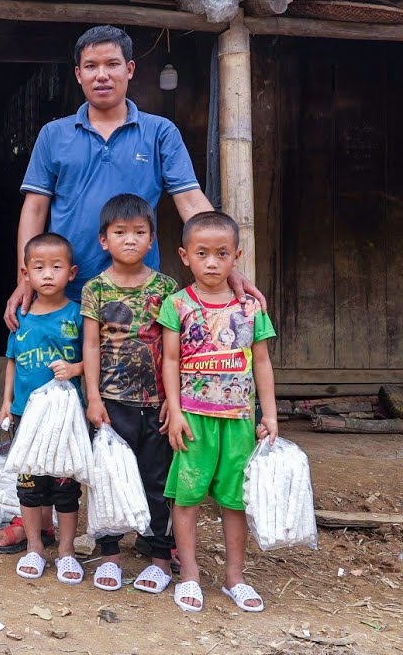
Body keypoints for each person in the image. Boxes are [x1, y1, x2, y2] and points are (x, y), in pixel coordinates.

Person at [5, 25, 263, 327]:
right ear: (78, 74)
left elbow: (191, 202)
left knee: (135, 372)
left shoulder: (159, 132)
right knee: (62, 372)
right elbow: (35, 208)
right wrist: (25, 278)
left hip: (139, 290)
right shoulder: (53, 134)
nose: (101, 74)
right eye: (91, 66)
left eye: (112, 64)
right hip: (63, 289)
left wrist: (230, 267)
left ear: (129, 69)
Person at [159, 211, 277, 613]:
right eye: (202, 253)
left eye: (221, 253)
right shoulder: (177, 304)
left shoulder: (249, 309)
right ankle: (189, 573)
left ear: (236, 257)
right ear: (185, 256)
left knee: (234, 501)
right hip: (193, 419)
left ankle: (234, 577)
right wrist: (174, 412)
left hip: (239, 421)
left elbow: (261, 362)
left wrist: (270, 415)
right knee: (187, 497)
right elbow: (170, 361)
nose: (212, 262)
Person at [80, 194, 179, 593]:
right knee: (108, 479)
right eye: (120, 233)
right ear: (104, 240)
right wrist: (93, 397)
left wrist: (174, 399)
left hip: (157, 404)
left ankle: (159, 558)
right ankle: (109, 555)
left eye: (140, 232)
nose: (130, 240)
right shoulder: (95, 290)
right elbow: (90, 346)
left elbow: (174, 349)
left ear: (152, 239)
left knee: (157, 480)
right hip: (112, 402)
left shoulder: (166, 287)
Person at [0, 233, 85, 585]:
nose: (48, 274)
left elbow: (92, 358)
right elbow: (12, 362)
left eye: (56, 267)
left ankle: (66, 550)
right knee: (30, 483)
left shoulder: (77, 315)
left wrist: (75, 369)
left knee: (65, 485)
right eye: (39, 267)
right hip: (26, 415)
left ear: (72, 272)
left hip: (65, 417)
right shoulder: (21, 317)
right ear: (25, 274)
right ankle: (34, 546)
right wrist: (6, 401)